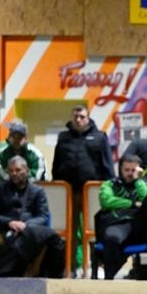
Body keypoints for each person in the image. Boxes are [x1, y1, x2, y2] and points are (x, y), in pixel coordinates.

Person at [52, 105, 114, 275]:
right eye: (75, 117)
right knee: (69, 232)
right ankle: (70, 267)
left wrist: (110, 187)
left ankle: (97, 267)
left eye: (82, 116)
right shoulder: (63, 137)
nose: (78, 120)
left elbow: (107, 164)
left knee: (95, 231)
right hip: (69, 192)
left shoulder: (100, 137)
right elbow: (56, 164)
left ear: (88, 118)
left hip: (93, 193)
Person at [0, 155, 65, 277]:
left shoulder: (38, 191)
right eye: (11, 171)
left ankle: (35, 276)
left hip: (29, 232)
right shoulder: (0, 189)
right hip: (3, 231)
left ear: (26, 171)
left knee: (49, 242)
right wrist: (10, 222)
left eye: (18, 170)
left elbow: (43, 217)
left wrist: (25, 225)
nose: (14, 174)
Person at [95, 153, 147, 279]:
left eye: (133, 170)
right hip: (117, 223)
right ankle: (109, 278)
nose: (129, 173)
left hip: (138, 225)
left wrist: (138, 180)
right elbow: (107, 201)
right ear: (120, 169)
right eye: (126, 170)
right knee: (112, 238)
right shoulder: (109, 184)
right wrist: (132, 203)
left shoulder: (142, 185)